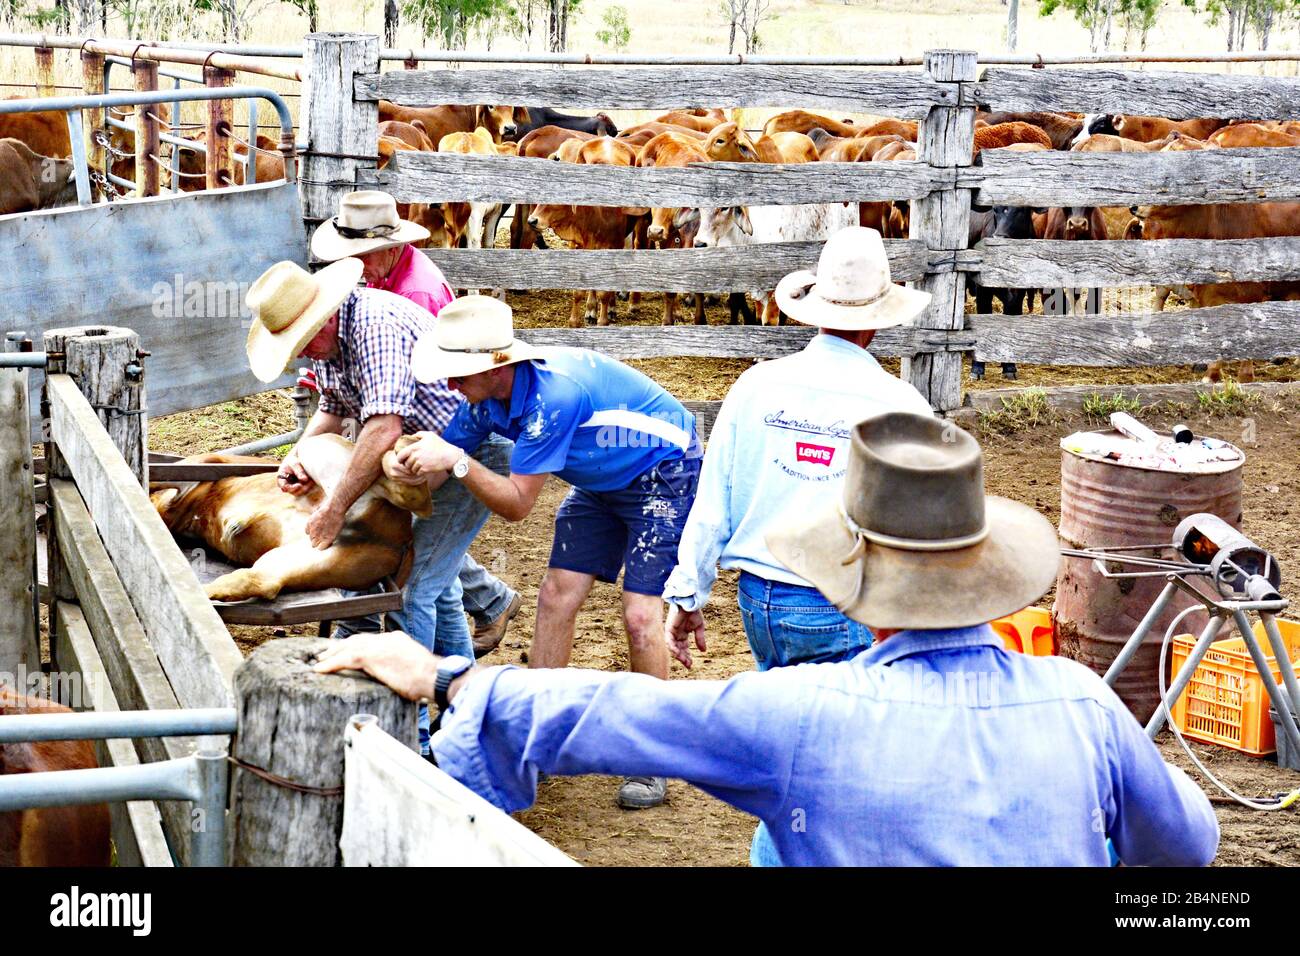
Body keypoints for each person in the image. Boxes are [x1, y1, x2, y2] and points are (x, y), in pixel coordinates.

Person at [316, 412, 1220, 866]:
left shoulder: (804, 712)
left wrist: (443, 675)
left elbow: (619, 710)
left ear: (857, 591)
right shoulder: (1083, 705)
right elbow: (1189, 844)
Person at [660, 225, 935, 865]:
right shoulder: (899, 402)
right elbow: (922, 522)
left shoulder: (757, 386)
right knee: (840, 763)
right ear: (877, 322)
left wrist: (687, 593)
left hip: (763, 600)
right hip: (848, 601)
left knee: (796, 750)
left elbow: (713, 502)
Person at [389, 295, 701, 809]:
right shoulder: (484, 398)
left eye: (458, 373)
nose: (450, 385)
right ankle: (538, 731)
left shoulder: (551, 398)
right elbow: (447, 459)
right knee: (555, 596)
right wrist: (413, 464)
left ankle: (652, 757)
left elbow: (515, 505)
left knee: (641, 615)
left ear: (495, 363)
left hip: (662, 472)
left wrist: (459, 463)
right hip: (601, 479)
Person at [243, 258, 511, 756]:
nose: (303, 353)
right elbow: (331, 408)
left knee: (411, 589)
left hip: (465, 449)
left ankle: (416, 736)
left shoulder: (375, 326)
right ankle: (469, 713)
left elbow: (383, 426)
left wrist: (334, 508)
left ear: (321, 318)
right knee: (437, 584)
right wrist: (296, 458)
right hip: (417, 459)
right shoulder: (328, 338)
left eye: (303, 341)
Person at [311, 190, 522, 656]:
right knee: (426, 571)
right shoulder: (352, 303)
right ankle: (456, 685)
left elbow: (392, 416)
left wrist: (338, 503)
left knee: (413, 578)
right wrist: (299, 458)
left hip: (448, 442)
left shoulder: (412, 295)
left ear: (389, 248)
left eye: (362, 257)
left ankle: (418, 713)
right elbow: (339, 402)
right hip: (421, 445)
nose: (357, 268)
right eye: (350, 258)